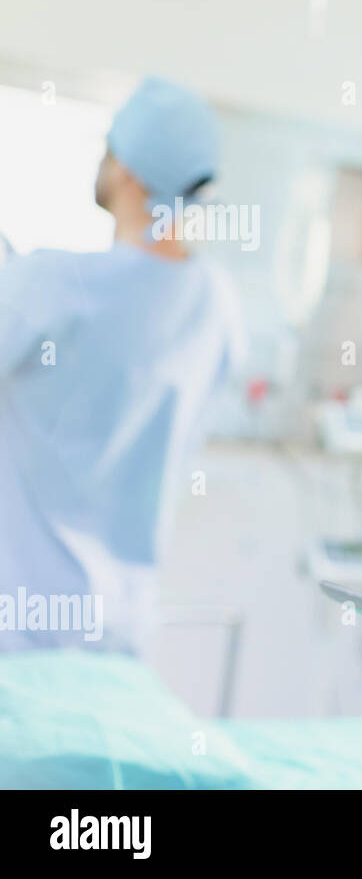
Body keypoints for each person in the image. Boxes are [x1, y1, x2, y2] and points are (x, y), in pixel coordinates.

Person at [0, 77, 243, 653]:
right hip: (120, 631)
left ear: (129, 169)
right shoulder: (218, 303)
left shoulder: (52, 283)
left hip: (21, 630)